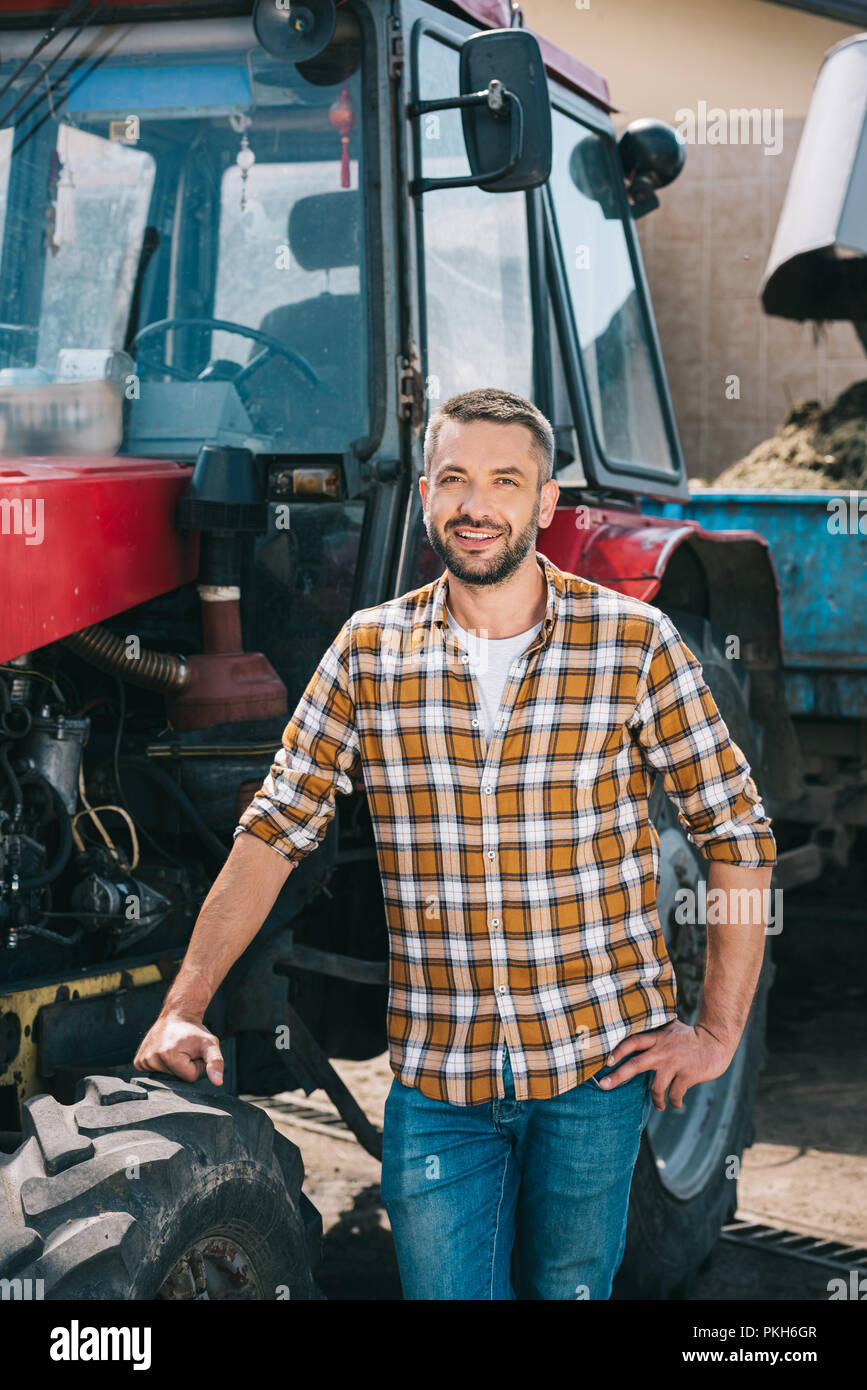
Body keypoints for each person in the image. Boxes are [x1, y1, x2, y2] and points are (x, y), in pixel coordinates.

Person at [134, 386, 776, 1300]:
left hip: (593, 1075)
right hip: (441, 1081)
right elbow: (274, 831)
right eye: (454, 479)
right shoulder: (368, 650)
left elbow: (736, 832)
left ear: (544, 504)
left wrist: (714, 1033)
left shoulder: (634, 643)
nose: (477, 505)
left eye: (505, 481)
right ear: (428, 493)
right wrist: (184, 1004)